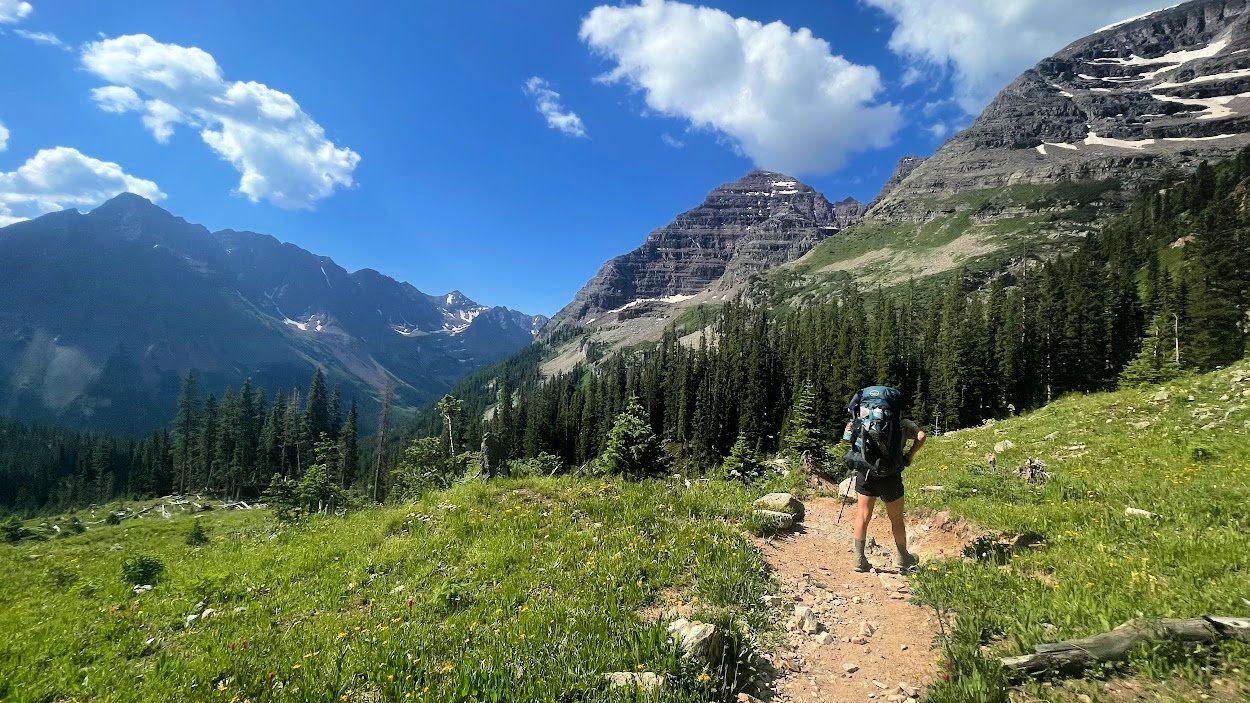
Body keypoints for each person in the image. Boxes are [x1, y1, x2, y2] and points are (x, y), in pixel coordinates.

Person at [841, 387, 926, 573]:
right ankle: (903, 557)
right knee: (896, 519)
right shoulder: (901, 422)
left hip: (866, 472)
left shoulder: (861, 418)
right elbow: (921, 436)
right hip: (891, 475)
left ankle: (858, 559)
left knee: (862, 515)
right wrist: (909, 455)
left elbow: (848, 437)